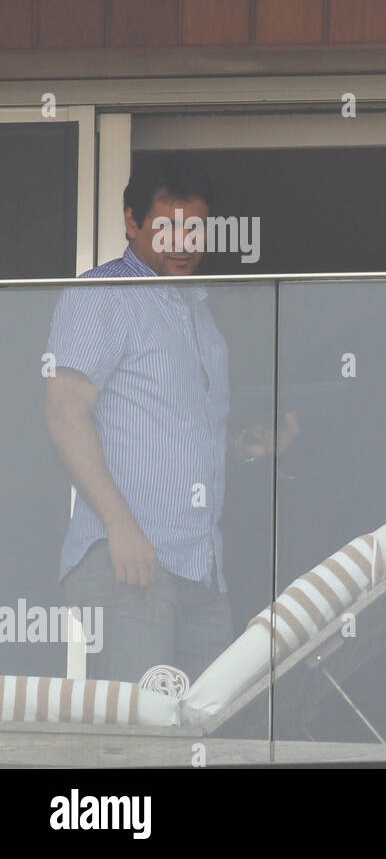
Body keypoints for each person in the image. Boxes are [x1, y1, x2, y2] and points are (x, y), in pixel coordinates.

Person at [44, 156, 296, 686]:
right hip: (128, 565)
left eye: (194, 228)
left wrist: (246, 446)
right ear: (131, 222)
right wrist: (121, 527)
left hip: (202, 571)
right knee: (141, 740)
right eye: (166, 227)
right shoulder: (104, 294)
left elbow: (180, 433)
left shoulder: (199, 312)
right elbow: (65, 412)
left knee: (202, 734)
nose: (183, 242)